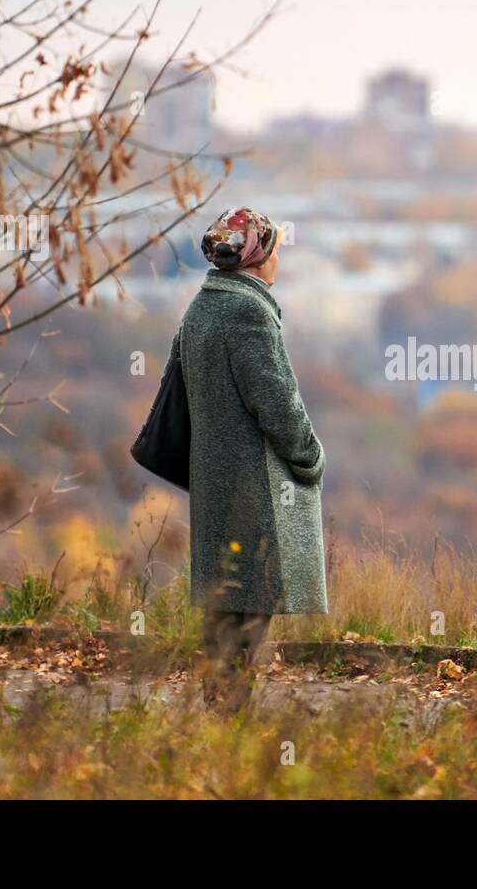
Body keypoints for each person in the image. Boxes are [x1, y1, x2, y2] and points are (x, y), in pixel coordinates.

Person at [175, 207, 326, 711]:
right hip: (253, 484)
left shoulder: (201, 308)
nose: (279, 258)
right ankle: (229, 723)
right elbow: (277, 403)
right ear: (258, 258)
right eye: (276, 248)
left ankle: (221, 717)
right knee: (249, 608)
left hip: (215, 477)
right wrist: (310, 456)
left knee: (226, 606)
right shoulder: (249, 312)